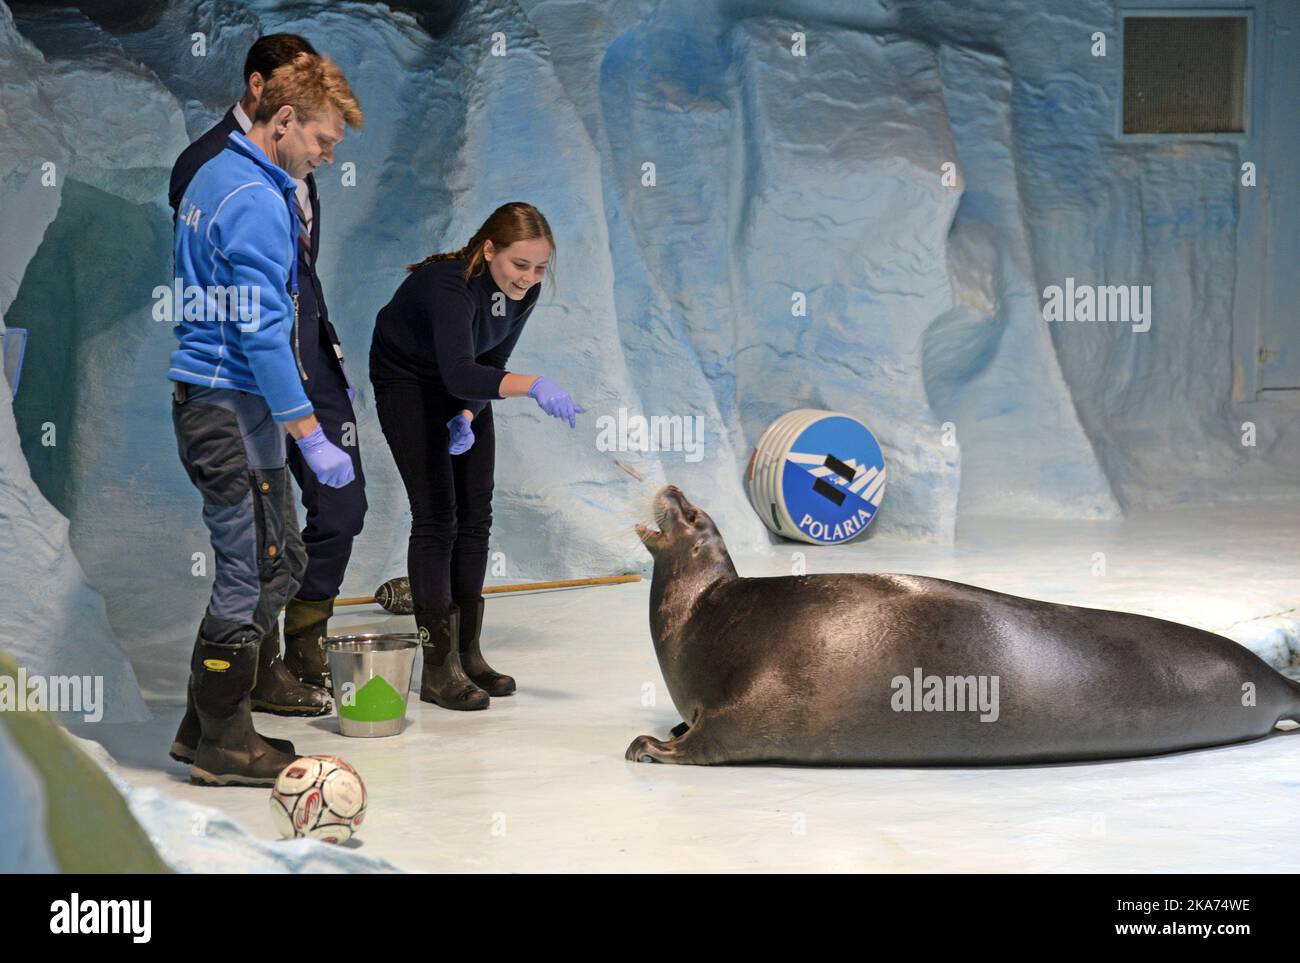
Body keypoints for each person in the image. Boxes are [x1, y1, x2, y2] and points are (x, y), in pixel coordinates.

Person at [168, 52, 363, 785]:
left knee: (279, 557)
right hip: (226, 403)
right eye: (322, 140)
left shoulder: (221, 173)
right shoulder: (251, 195)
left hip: (231, 401)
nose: (326, 155)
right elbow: (258, 330)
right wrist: (309, 433)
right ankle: (225, 740)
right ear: (283, 120)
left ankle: (202, 725)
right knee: (252, 571)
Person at [369, 202, 582, 711]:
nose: (528, 279)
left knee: (477, 515)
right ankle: (439, 666)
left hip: (462, 385)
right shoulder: (448, 286)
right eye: (518, 265)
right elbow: (462, 370)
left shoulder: (520, 295)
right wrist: (533, 386)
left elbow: (490, 364)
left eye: (538, 269)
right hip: (408, 383)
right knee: (438, 516)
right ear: (489, 251)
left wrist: (466, 415)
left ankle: (468, 651)